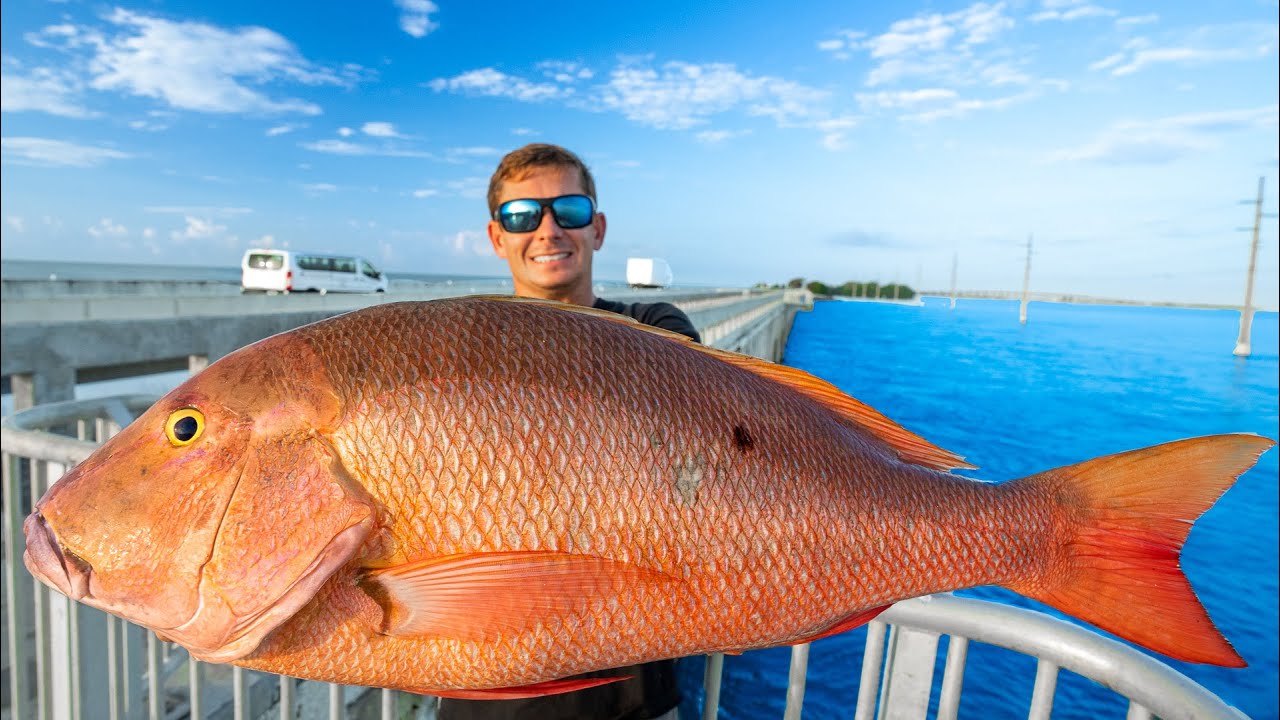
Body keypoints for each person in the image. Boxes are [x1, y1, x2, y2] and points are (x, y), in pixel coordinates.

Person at [435, 143, 695, 720]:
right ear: (496, 237)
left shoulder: (654, 327)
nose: (548, 230)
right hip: (483, 697)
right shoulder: (460, 349)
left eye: (569, 211)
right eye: (522, 216)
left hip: (632, 697)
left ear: (597, 228)